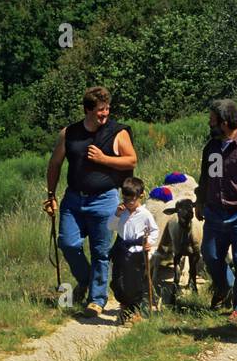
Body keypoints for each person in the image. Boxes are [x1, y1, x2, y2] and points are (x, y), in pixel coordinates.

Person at [44, 86, 137, 317]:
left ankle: (97, 300)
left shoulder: (117, 132)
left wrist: (104, 159)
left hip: (104, 199)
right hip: (73, 199)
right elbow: (54, 164)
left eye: (106, 109)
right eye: (99, 111)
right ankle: (85, 279)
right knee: (67, 243)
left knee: (100, 251)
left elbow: (131, 161)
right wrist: (50, 195)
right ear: (87, 110)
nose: (104, 115)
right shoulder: (70, 133)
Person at [195, 98, 237, 323]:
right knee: (211, 255)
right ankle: (226, 286)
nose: (209, 124)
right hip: (214, 212)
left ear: (224, 123)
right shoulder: (211, 147)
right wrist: (200, 201)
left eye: (212, 121)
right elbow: (205, 178)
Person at [110, 176, 158, 323]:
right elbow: (111, 227)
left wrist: (149, 242)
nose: (129, 203)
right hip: (121, 249)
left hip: (137, 252)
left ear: (140, 196)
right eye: (125, 199)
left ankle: (134, 309)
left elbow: (154, 230)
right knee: (118, 281)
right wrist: (117, 215)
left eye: (132, 200)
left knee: (135, 282)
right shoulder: (121, 212)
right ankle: (124, 304)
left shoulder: (145, 214)